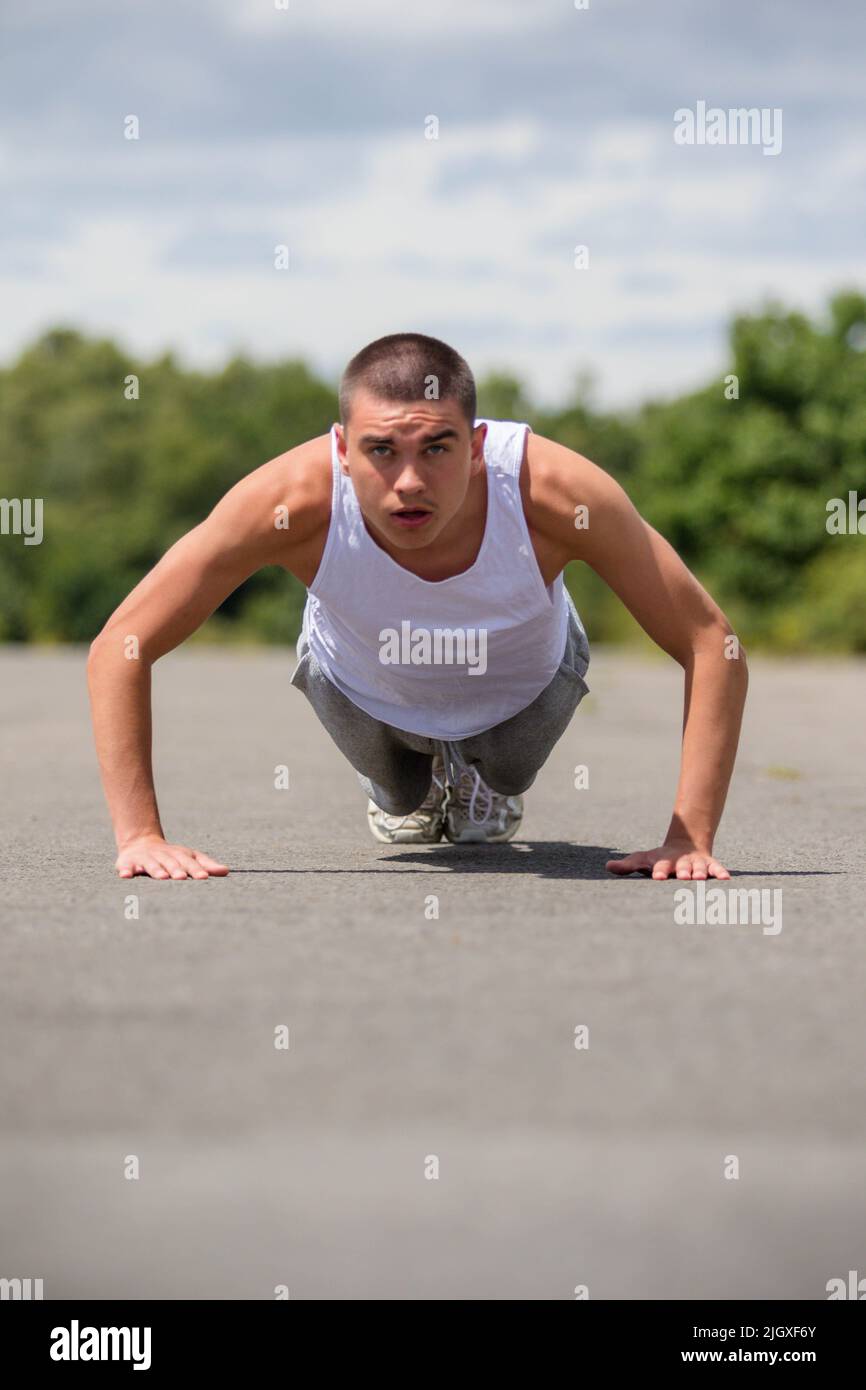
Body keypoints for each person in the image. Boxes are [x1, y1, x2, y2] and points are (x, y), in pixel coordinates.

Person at [87, 332, 747, 880]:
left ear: (478, 445)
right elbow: (122, 644)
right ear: (342, 450)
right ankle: (411, 788)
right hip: (362, 681)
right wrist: (140, 834)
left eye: (436, 448)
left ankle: (481, 783)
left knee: (510, 771)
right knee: (401, 796)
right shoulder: (290, 502)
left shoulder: (554, 491)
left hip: (523, 680)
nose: (408, 483)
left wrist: (689, 837)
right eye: (381, 451)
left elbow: (710, 642)